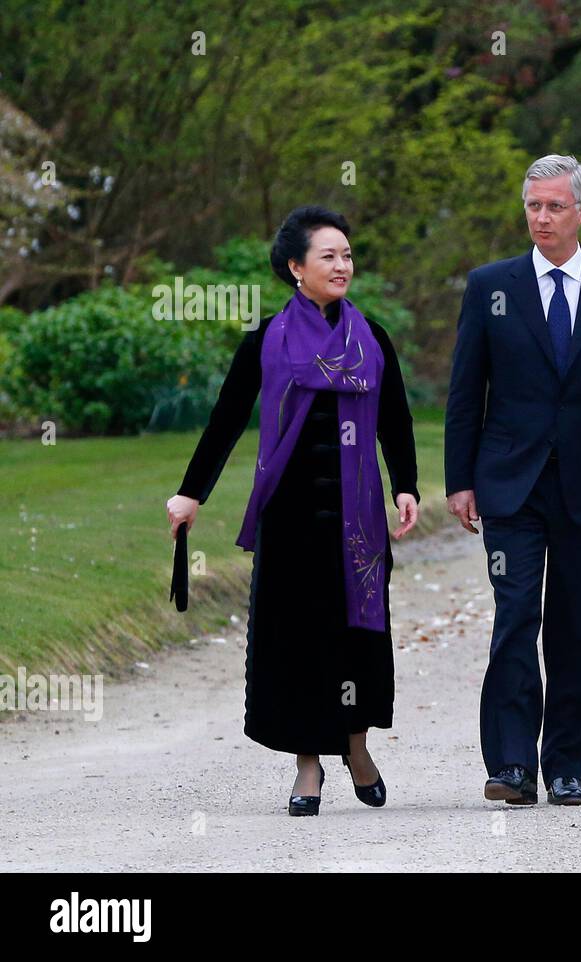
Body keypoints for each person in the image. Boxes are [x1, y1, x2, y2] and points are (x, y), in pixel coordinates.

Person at [167, 206, 420, 816]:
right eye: (328, 256)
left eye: (348, 255)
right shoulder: (269, 340)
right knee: (298, 643)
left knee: (356, 640)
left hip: (357, 524)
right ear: (295, 267)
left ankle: (356, 747)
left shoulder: (371, 339)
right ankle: (308, 767)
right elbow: (226, 419)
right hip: (290, 520)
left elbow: (395, 419)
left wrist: (405, 485)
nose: (342, 266)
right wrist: (191, 492)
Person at [444, 155, 581, 806]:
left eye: (554, 207)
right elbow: (464, 392)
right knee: (516, 618)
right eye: (533, 206)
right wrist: (460, 479)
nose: (542, 217)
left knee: (577, 624)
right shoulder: (491, 286)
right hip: (510, 483)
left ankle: (566, 765)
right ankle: (511, 765)